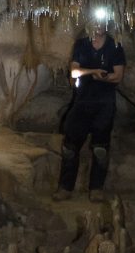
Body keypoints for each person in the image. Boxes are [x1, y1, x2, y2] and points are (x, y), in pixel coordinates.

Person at [52, 18, 126, 202]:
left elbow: (118, 77)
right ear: (89, 25)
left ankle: (96, 189)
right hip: (83, 100)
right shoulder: (81, 45)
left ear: (106, 26)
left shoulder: (115, 47)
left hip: (104, 103)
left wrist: (99, 77)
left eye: (101, 23)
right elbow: (74, 72)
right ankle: (65, 188)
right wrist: (94, 72)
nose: (98, 26)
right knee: (70, 146)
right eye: (94, 23)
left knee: (101, 148)